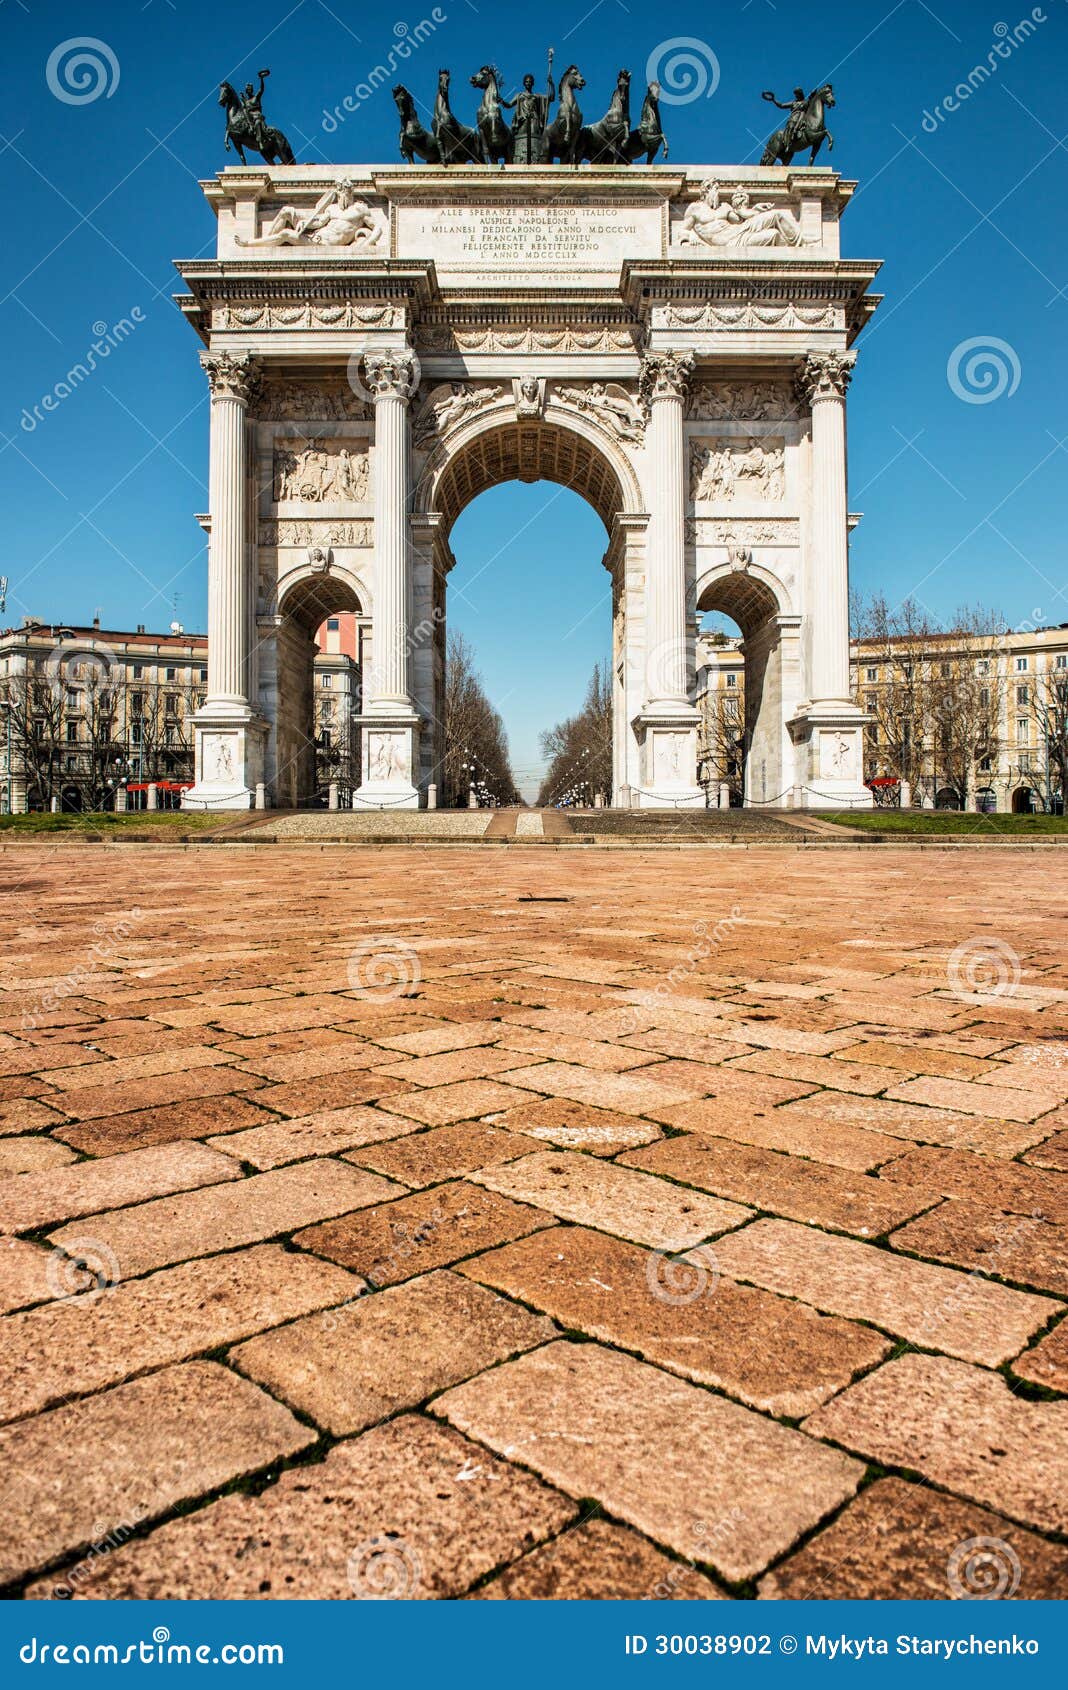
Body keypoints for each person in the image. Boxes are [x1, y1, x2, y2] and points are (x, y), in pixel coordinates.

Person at [503, 51, 556, 163]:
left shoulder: (537, 96)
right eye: (526, 82)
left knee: (535, 136)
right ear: (524, 83)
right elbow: (508, 105)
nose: (528, 83)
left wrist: (551, 84)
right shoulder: (519, 95)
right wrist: (501, 101)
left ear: (532, 83)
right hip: (522, 120)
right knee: (520, 136)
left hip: (534, 118)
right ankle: (518, 156)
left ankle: (536, 157)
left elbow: (551, 98)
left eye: (530, 82)